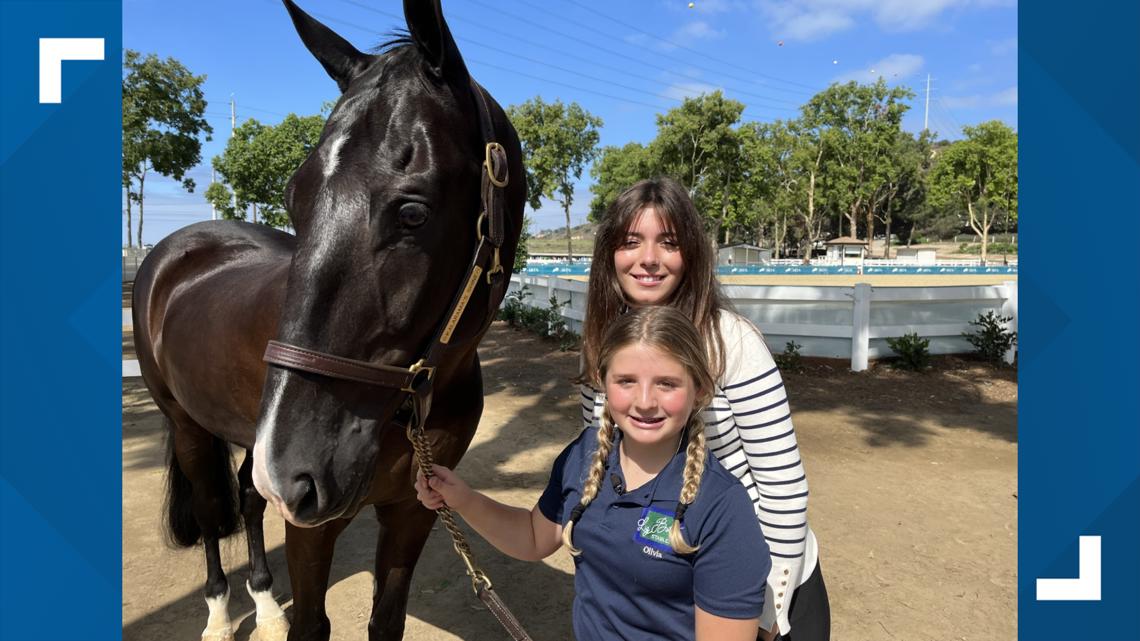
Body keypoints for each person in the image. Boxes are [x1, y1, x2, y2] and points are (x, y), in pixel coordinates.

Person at [416, 306, 771, 641]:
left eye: (667, 383)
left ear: (700, 390)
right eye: (626, 381)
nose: (645, 400)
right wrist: (462, 499)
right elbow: (533, 537)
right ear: (602, 382)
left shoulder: (722, 507)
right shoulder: (585, 454)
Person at [579, 178, 830, 641]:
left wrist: (766, 611)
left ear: (690, 254)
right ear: (610, 256)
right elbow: (598, 461)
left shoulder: (732, 342)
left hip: (756, 583)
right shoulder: (603, 346)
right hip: (667, 579)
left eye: (668, 243)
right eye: (631, 242)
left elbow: (783, 487)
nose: (648, 259)